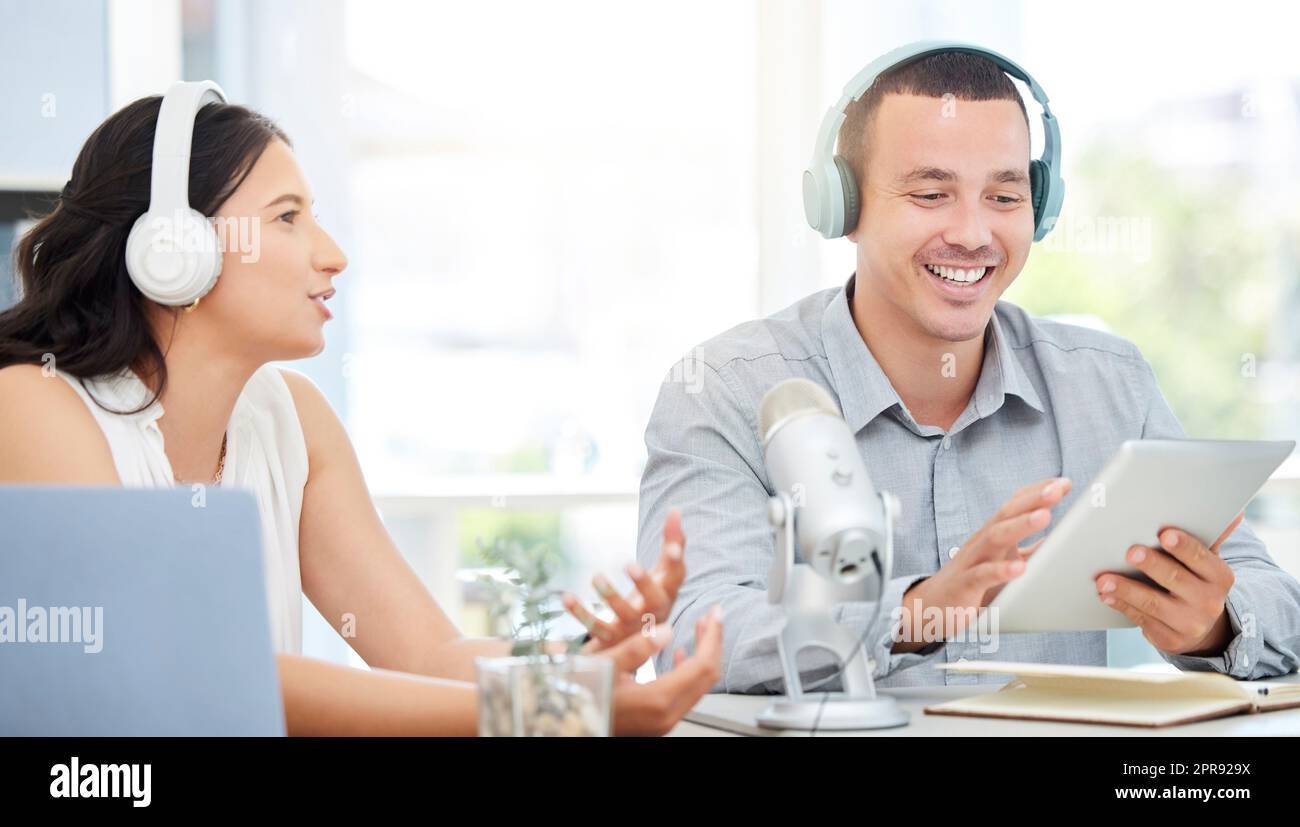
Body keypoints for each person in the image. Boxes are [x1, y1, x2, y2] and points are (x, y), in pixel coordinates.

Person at [0, 84, 722, 735]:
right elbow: (198, 675)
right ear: (174, 248)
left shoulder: (293, 421)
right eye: (287, 218)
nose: (333, 254)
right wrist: (546, 707)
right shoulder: (34, 405)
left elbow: (427, 654)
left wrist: (579, 664)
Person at [636, 43, 1300, 694]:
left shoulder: (1108, 385)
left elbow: (1276, 604)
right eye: (931, 193)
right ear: (841, 207)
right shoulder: (725, 390)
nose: (974, 233)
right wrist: (918, 611)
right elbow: (698, 634)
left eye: (1005, 198)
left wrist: (1213, 622)